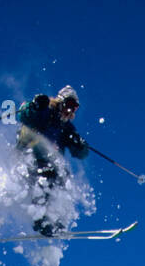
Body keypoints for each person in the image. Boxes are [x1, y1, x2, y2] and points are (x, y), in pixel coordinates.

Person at [15, 86, 89, 234]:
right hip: (28, 156)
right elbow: (22, 115)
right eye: (69, 106)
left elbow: (81, 154)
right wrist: (34, 106)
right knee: (47, 174)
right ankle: (40, 219)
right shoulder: (45, 112)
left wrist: (79, 145)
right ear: (61, 102)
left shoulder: (67, 128)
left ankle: (55, 218)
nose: (70, 111)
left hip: (49, 162)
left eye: (74, 108)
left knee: (64, 177)